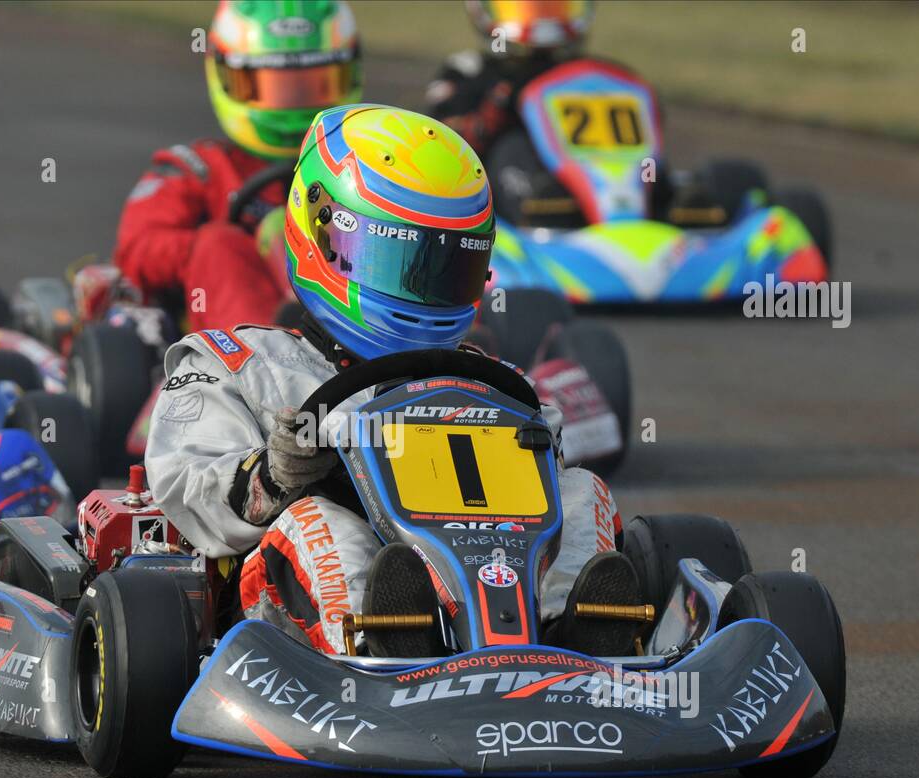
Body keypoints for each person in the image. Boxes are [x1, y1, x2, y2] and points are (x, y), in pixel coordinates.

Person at [144, 104, 642, 659]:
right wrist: (273, 476)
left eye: (442, 269)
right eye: (396, 262)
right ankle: (384, 647)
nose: (421, 291)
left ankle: (577, 643)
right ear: (323, 232)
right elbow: (184, 490)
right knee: (320, 523)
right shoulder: (242, 365)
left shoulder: (493, 381)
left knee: (581, 492)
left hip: (484, 585)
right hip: (287, 624)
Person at [111, 0, 361, 333]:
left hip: (350, 326)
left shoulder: (363, 166)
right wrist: (238, 242)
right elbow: (136, 251)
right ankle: (267, 357)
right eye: (275, 88)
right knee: (218, 244)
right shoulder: (199, 169)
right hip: (233, 338)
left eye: (311, 86)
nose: (293, 105)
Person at [425, 0, 595, 157]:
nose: (539, 20)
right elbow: (441, 141)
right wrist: (496, 108)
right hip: (502, 174)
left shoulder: (587, 74)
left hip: (586, 168)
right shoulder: (468, 71)